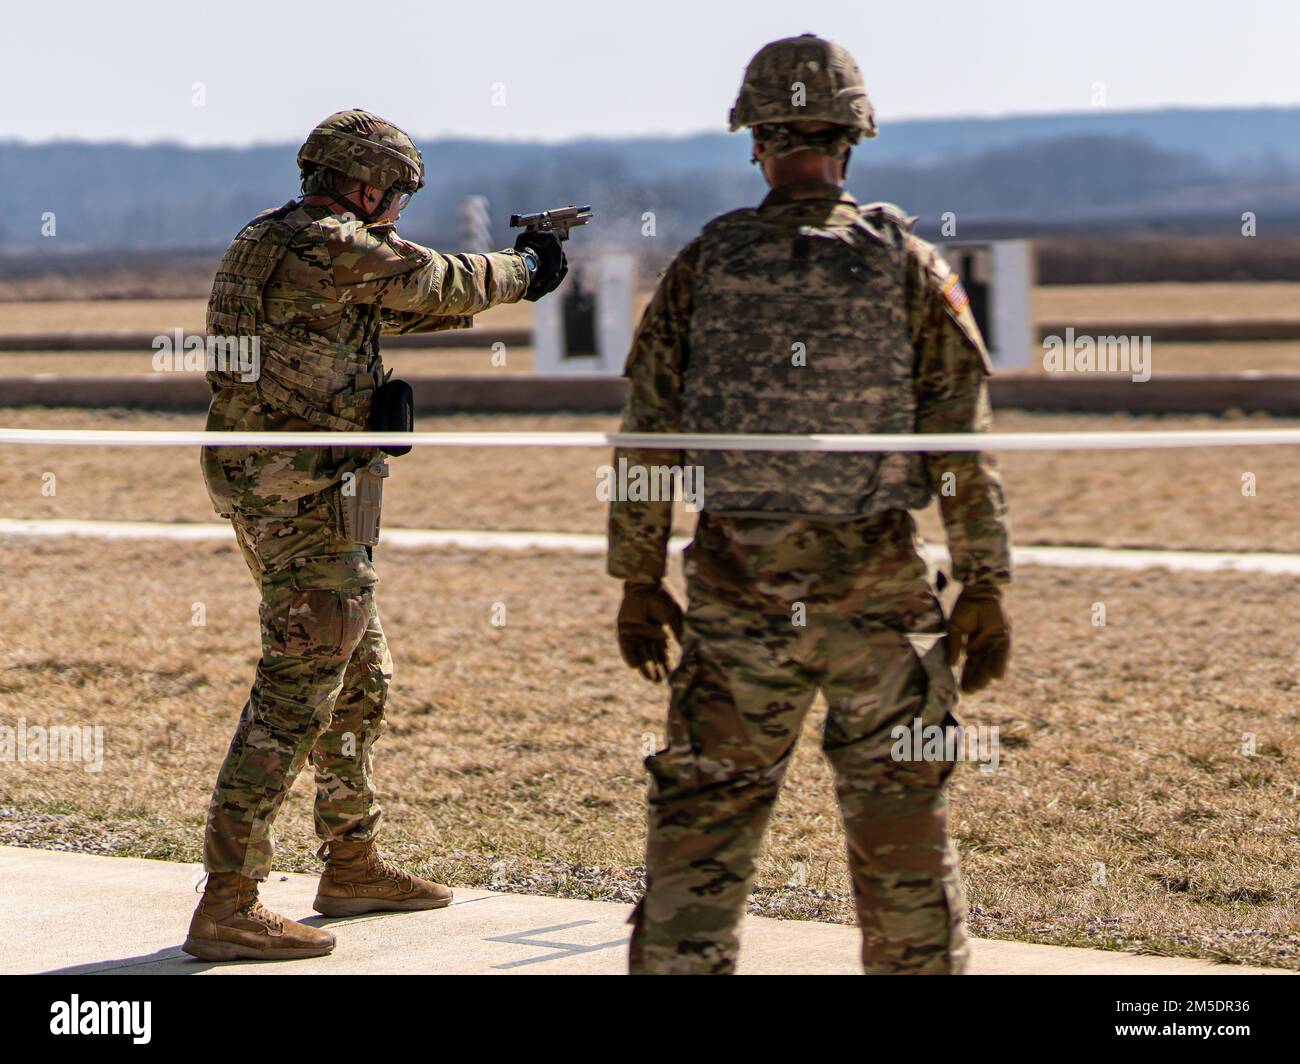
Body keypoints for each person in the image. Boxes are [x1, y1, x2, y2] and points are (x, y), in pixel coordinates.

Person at [607, 35, 1013, 975]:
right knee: (904, 831)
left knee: (700, 838)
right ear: (855, 137)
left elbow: (647, 436)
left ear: (754, 140)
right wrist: (986, 581)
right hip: (877, 596)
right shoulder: (908, 263)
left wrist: (637, 576)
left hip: (736, 598)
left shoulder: (706, 266)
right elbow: (960, 445)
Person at [183, 109, 567, 962]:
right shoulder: (329, 240)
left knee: (360, 676)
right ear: (365, 184)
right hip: (300, 493)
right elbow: (435, 282)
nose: (393, 211)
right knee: (298, 687)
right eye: (393, 196)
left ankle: (350, 863)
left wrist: (513, 280)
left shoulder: (284, 242)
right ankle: (229, 899)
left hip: (311, 487)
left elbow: (400, 308)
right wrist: (525, 268)